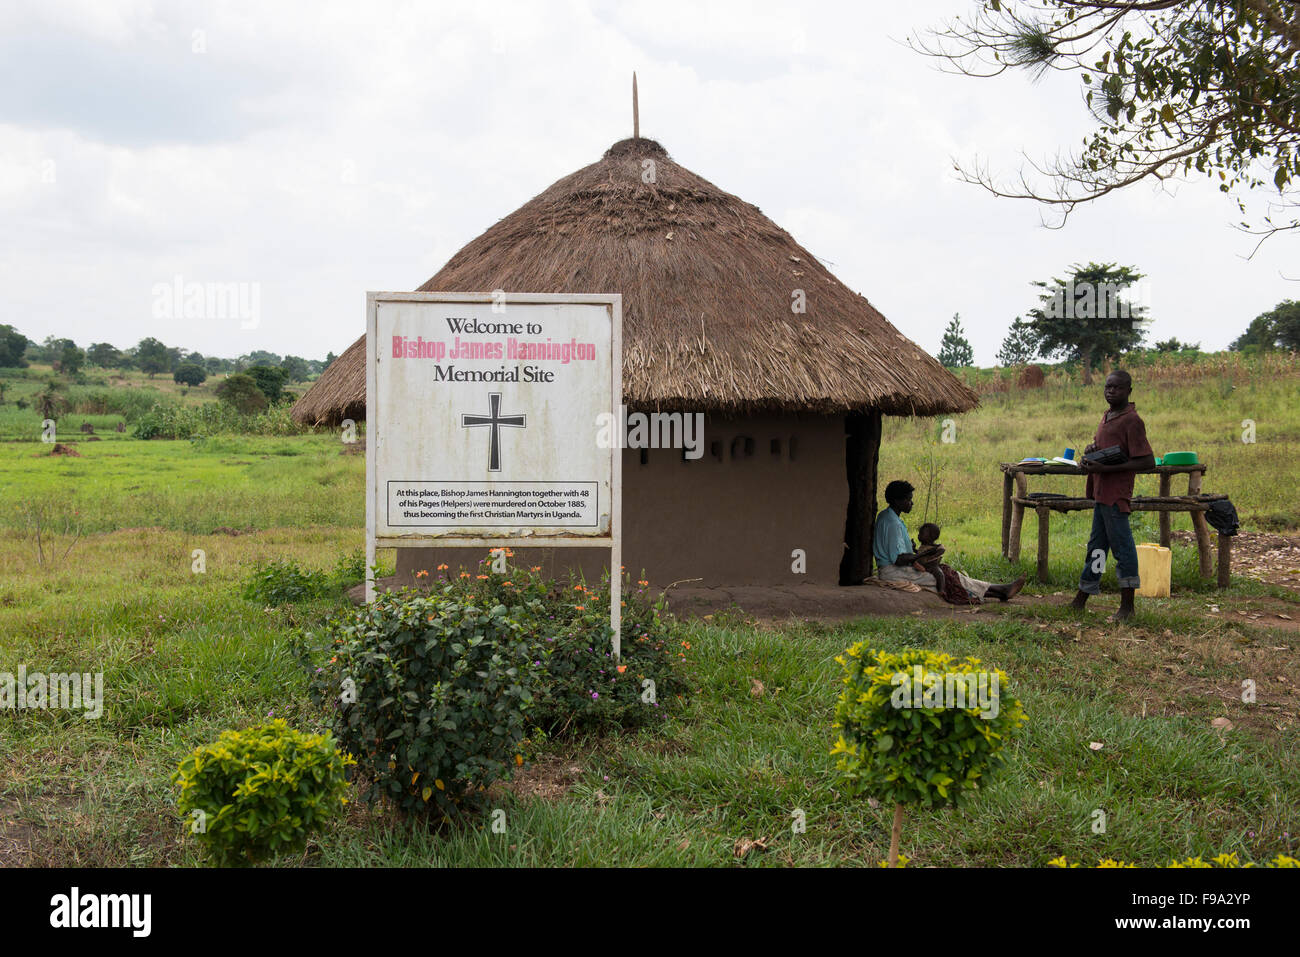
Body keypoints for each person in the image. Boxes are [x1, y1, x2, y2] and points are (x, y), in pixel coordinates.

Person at [1071, 370, 1155, 622]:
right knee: (1097, 549)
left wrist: (1106, 468)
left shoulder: (1132, 421)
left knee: (1123, 549)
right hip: (1101, 493)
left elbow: (1147, 461)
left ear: (1129, 391)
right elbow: (1109, 449)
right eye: (1107, 387)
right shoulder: (1108, 416)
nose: (1110, 391)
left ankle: (1127, 607)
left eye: (1117, 388)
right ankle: (1083, 596)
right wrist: (1092, 452)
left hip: (1116, 495)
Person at [873, 480, 1025, 602]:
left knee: (948, 573)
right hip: (894, 572)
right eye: (908, 500)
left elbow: (896, 550)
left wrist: (914, 551)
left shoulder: (887, 517)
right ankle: (1001, 591)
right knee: (948, 577)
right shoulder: (892, 523)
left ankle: (1000, 591)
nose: (911, 503)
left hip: (897, 569)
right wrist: (925, 554)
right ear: (897, 500)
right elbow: (899, 559)